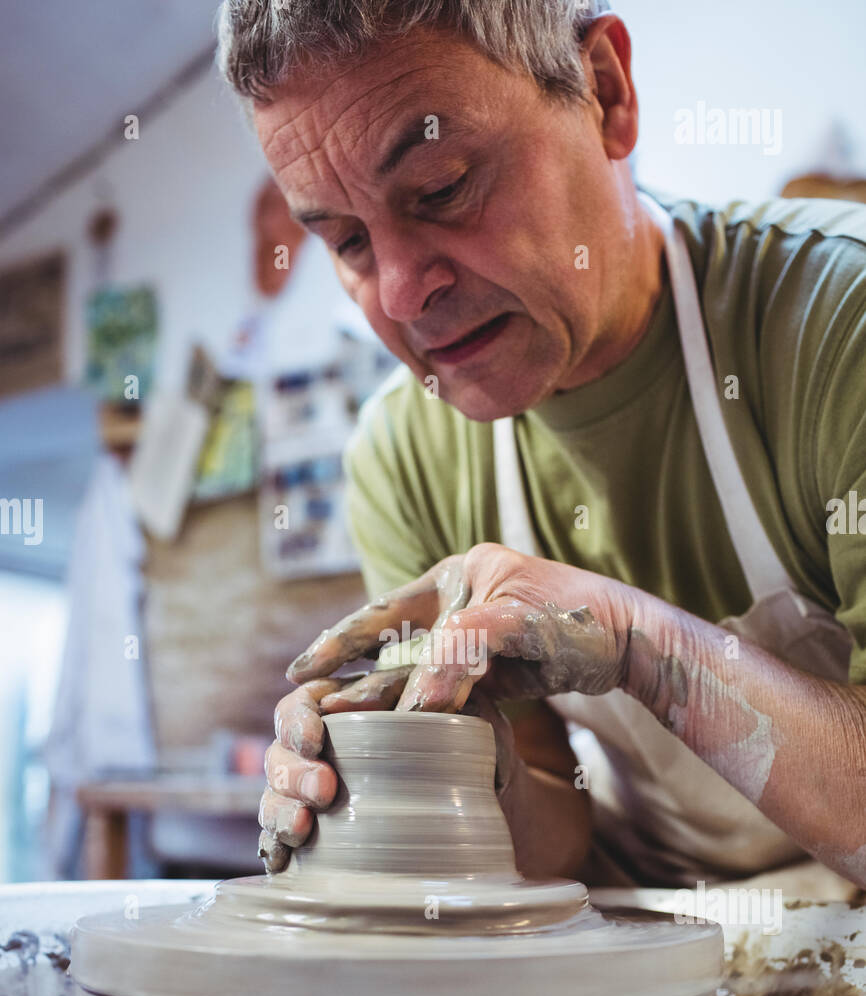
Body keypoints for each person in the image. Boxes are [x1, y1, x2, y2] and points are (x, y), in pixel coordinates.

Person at [216, 0, 866, 890]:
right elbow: (550, 831)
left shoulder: (839, 331)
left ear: (604, 91)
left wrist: (643, 647)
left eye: (443, 188)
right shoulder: (405, 457)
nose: (403, 294)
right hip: (650, 960)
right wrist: (424, 772)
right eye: (350, 240)